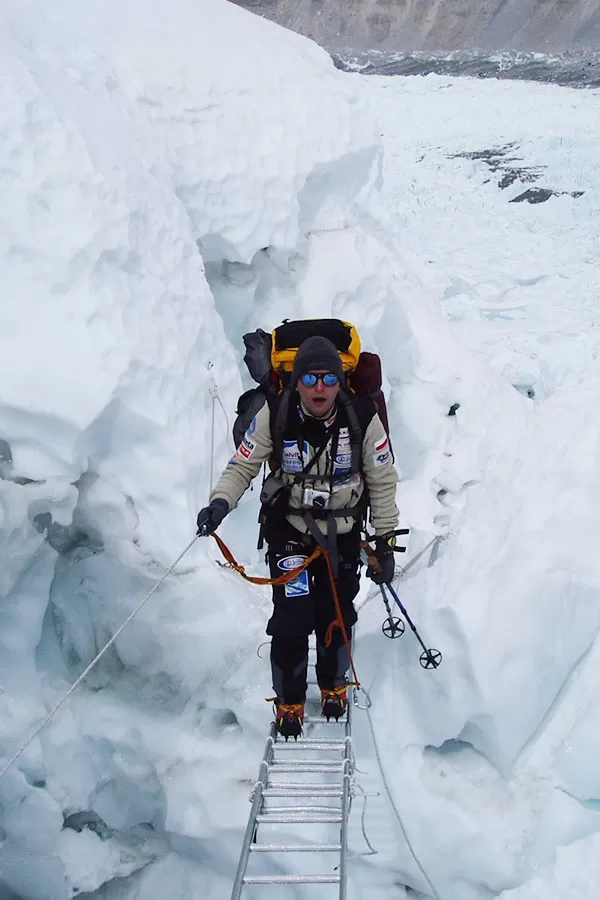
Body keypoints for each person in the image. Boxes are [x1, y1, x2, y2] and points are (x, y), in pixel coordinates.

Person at [197, 335, 399, 738]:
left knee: (336, 614)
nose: (319, 386)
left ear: (340, 381)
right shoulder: (277, 412)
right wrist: (220, 503)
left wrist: (385, 539)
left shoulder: (362, 415)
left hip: (342, 536)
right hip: (289, 532)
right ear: (298, 382)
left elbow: (382, 479)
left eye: (328, 377)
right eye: (310, 377)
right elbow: (243, 465)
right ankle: (289, 701)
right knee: (290, 620)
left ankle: (332, 687)